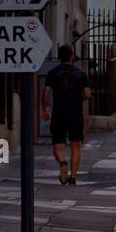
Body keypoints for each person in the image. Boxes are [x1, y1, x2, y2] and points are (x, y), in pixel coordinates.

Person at [41, 45, 91, 185]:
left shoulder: (53, 73)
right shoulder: (81, 74)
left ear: (59, 57)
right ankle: (73, 177)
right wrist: (80, 96)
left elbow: (46, 92)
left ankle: (63, 162)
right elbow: (87, 94)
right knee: (75, 146)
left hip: (59, 113)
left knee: (58, 146)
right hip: (75, 114)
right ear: (72, 56)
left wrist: (45, 109)